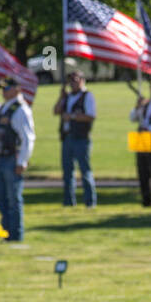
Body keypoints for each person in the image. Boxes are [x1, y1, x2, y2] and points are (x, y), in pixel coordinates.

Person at [0, 77, 35, 241]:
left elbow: (28, 138)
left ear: (17, 89)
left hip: (12, 158)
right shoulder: (3, 107)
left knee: (14, 199)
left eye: (7, 89)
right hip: (0, 158)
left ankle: (16, 235)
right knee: (2, 199)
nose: (3, 92)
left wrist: (22, 161)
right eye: (3, 89)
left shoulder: (21, 110)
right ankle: (6, 233)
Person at [54, 63, 97, 207]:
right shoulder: (67, 97)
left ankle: (90, 201)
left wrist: (72, 117)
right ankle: (69, 201)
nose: (72, 83)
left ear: (82, 80)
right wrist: (61, 98)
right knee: (67, 172)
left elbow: (91, 116)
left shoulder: (87, 96)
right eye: (70, 81)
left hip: (81, 137)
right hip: (67, 137)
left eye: (75, 80)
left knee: (85, 171)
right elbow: (56, 111)